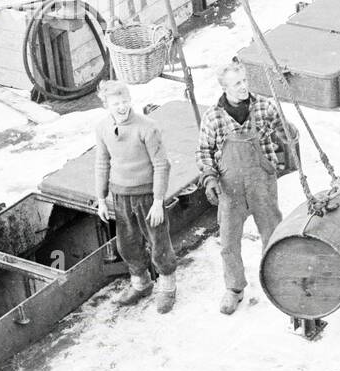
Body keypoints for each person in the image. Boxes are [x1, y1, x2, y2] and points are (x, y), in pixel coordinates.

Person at [196, 61, 297, 315]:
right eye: (237, 83)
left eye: (244, 81)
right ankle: (234, 288)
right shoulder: (213, 117)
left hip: (261, 182)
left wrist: (288, 131)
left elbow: (287, 134)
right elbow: (204, 152)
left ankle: (275, 279)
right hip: (230, 190)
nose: (243, 87)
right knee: (229, 242)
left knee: (272, 233)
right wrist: (209, 179)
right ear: (224, 87)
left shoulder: (264, 106)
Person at [93, 80, 177, 312]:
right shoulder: (102, 128)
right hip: (120, 195)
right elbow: (102, 162)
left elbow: (161, 164)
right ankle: (141, 283)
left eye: (125, 102)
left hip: (147, 196)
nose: (122, 107)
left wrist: (158, 201)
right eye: (116, 103)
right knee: (127, 243)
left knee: (158, 241)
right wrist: (101, 198)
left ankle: (168, 287)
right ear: (106, 105)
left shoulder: (147, 127)